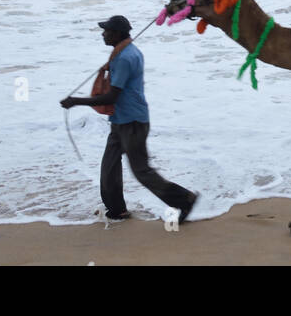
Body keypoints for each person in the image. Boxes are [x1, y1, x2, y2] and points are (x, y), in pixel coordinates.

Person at [60, 16, 199, 223]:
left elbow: (112, 96)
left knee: (142, 171)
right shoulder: (123, 53)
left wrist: (76, 101)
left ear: (116, 34)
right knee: (109, 167)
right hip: (120, 121)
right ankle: (117, 210)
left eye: (106, 31)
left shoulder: (125, 58)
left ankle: (184, 199)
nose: (103, 34)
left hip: (133, 123)